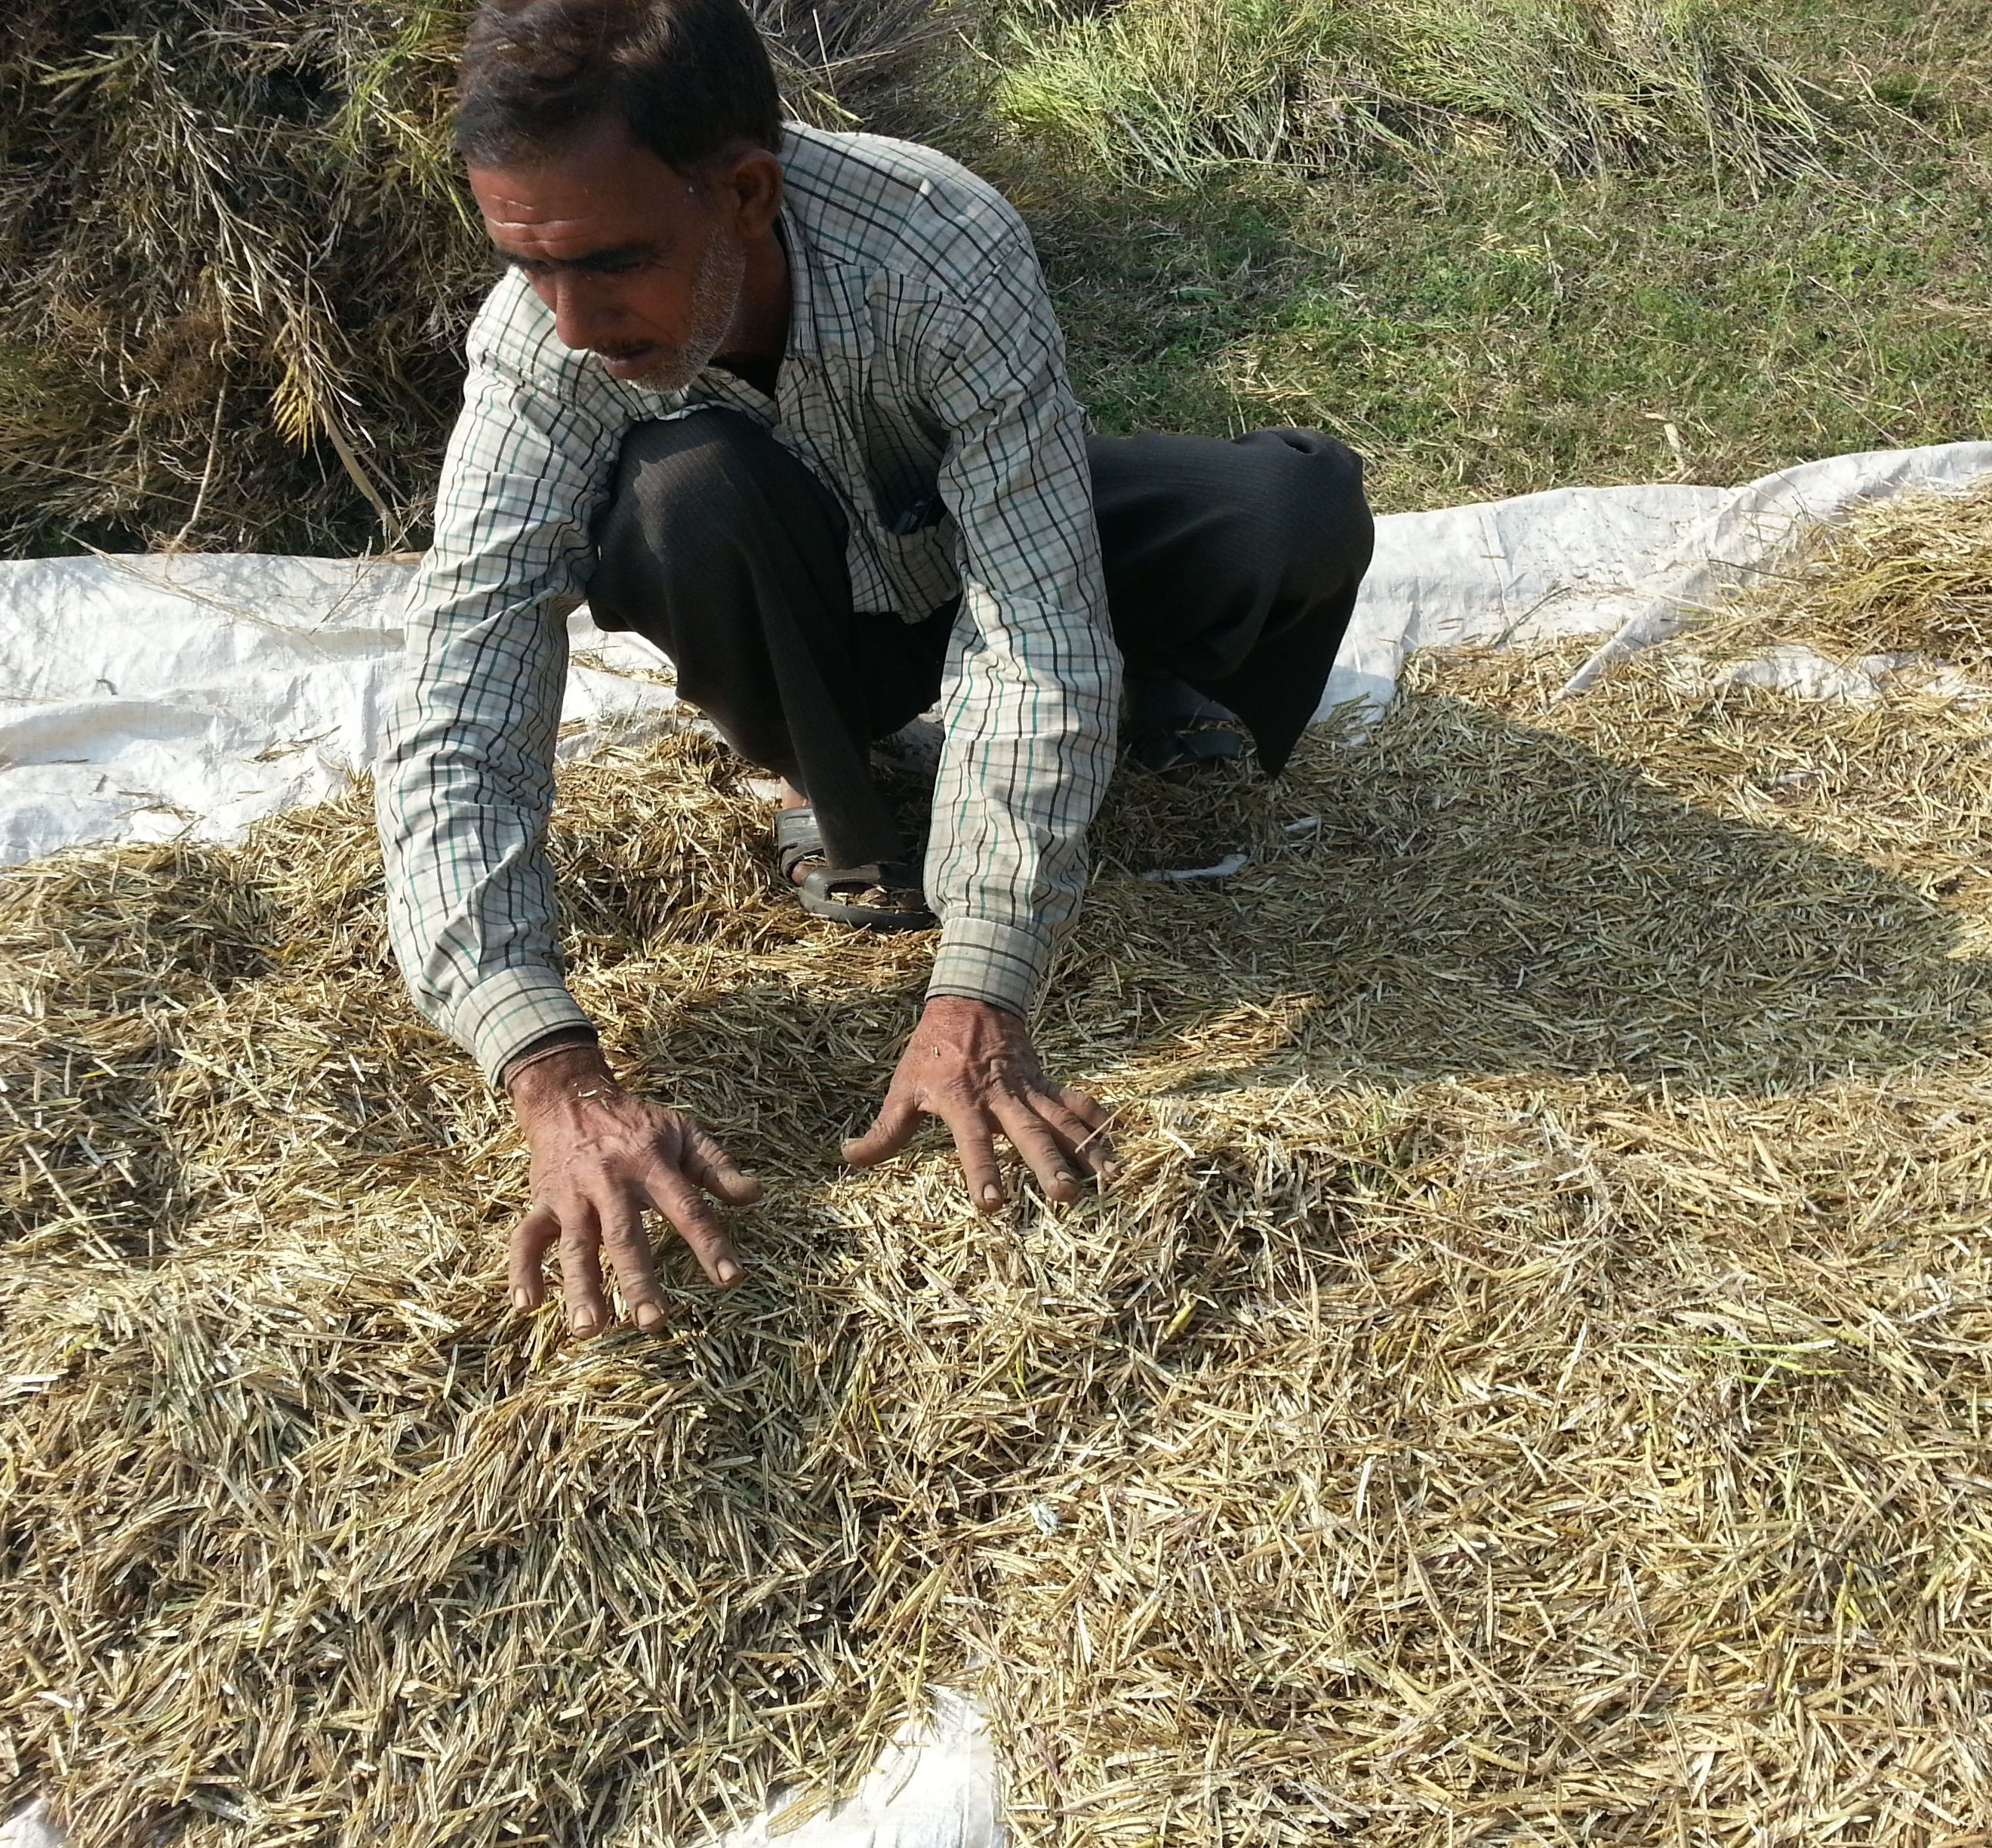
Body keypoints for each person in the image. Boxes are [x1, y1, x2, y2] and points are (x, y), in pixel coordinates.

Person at [377, 0, 1376, 1337]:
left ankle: (1155, 699)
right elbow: (465, 678)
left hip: (968, 559)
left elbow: (1033, 615)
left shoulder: (937, 245)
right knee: (686, 492)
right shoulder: (541, 343)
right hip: (810, 638)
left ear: (745, 192)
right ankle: (844, 803)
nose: (568, 320)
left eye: (611, 263)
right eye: (528, 266)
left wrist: (983, 988)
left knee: (1288, 512)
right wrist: (547, 1068)